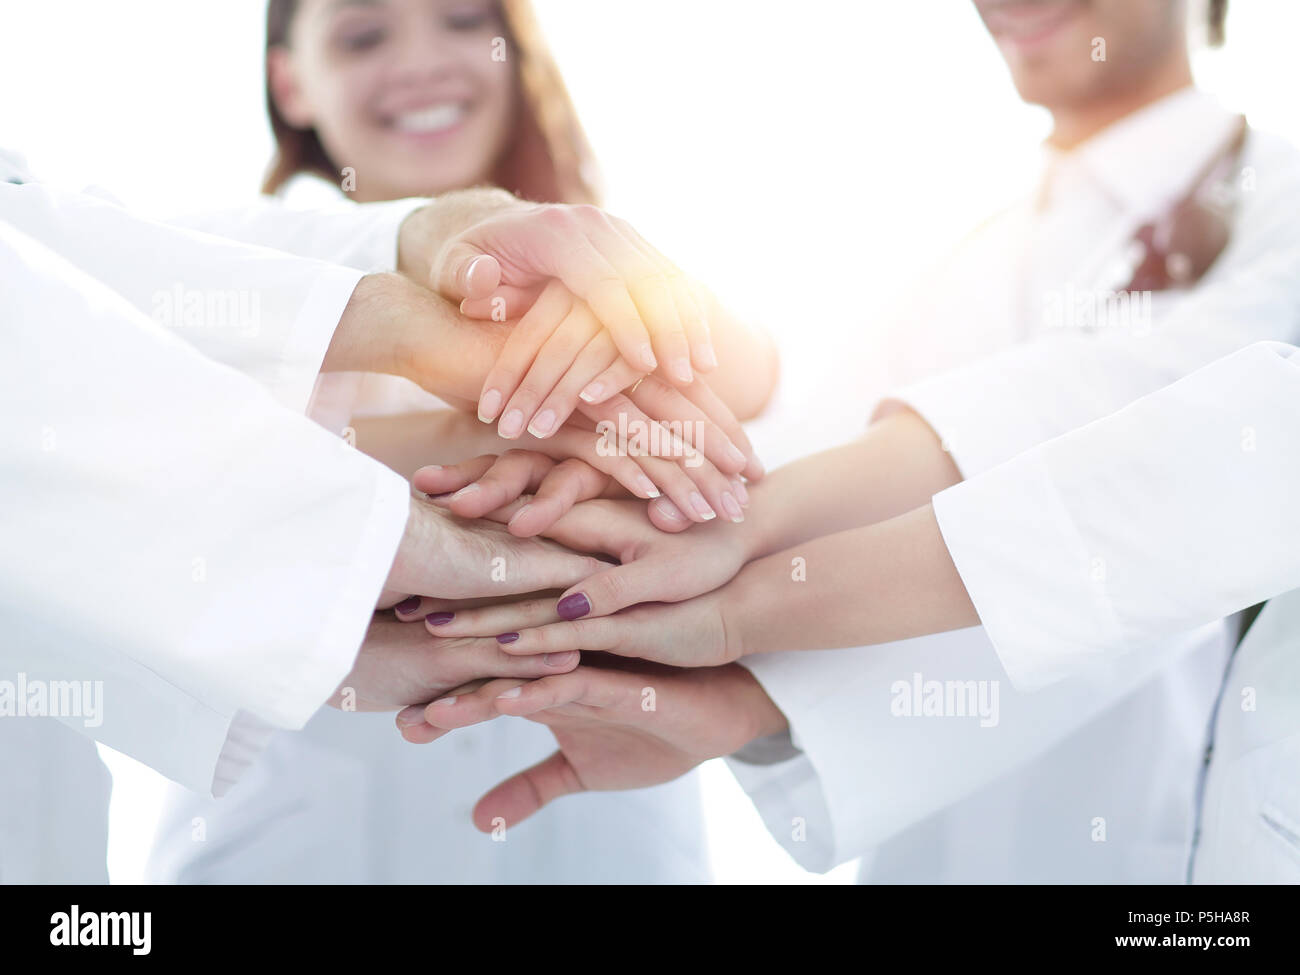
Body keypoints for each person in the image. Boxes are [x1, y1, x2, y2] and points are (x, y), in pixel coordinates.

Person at [394, 0, 1300, 882]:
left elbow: (1174, 467)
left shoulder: (1280, 200)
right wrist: (607, 417)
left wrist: (734, 597)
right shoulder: (959, 249)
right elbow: (782, 448)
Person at [142, 0, 776, 885]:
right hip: (293, 842)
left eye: (461, 20)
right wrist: (529, 428)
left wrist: (626, 336)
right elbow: (174, 487)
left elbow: (755, 399)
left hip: (604, 842)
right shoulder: (213, 274)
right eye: (365, 35)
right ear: (289, 81)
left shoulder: (619, 261)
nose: (423, 63)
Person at [407, 329, 1300, 882]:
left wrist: (740, 608)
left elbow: (1208, 468)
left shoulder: (1259, 203)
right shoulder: (969, 244)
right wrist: (710, 530)